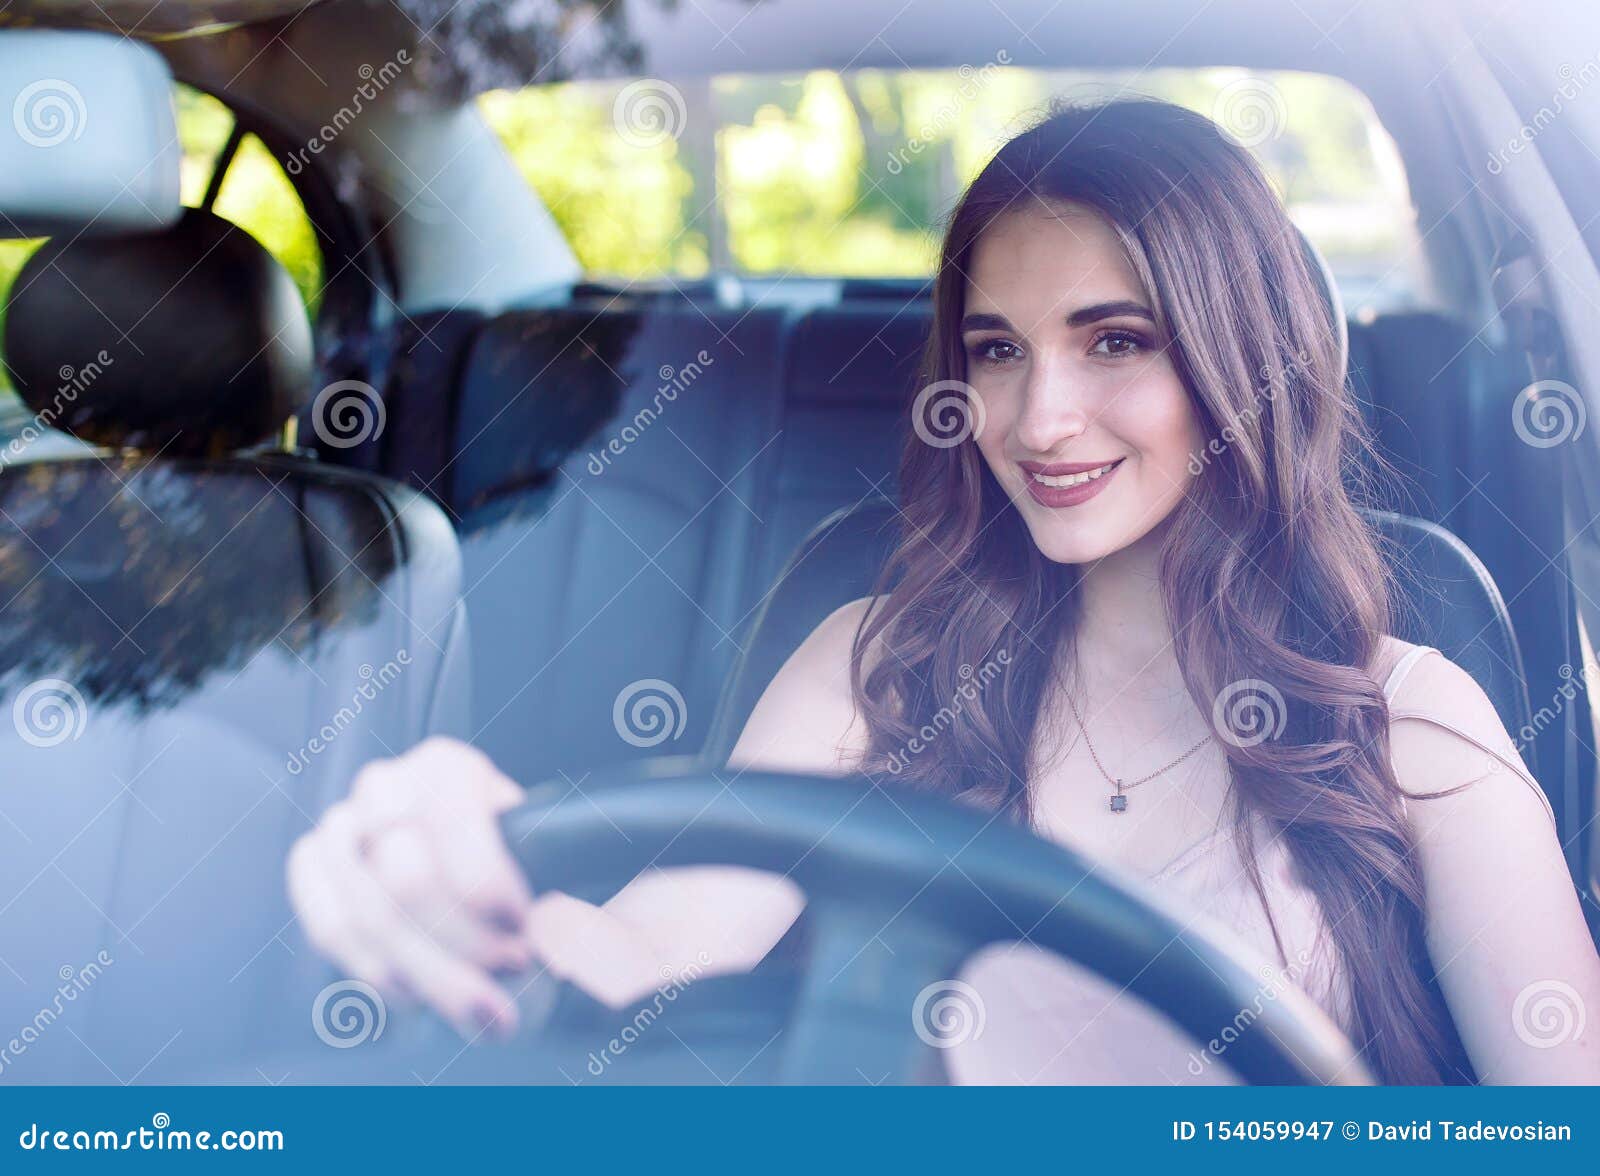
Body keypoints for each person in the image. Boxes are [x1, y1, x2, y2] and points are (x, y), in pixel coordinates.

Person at [286, 97, 1600, 1084]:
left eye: (1116, 342)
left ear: (1238, 361)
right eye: (997, 351)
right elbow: (642, 963)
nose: (1041, 418)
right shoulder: (876, 666)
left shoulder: (1413, 730)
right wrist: (466, 875)